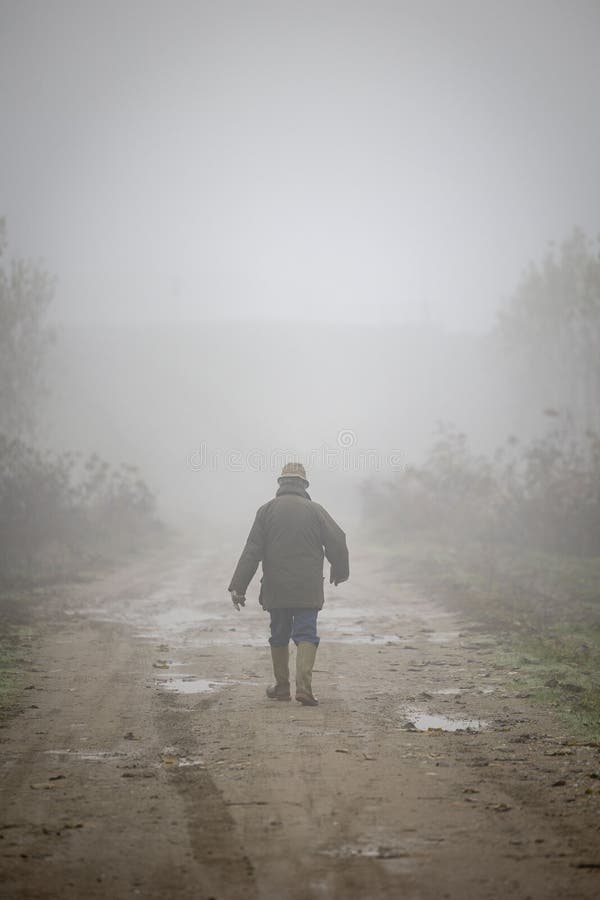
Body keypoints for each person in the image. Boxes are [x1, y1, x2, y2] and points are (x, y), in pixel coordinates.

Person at [228, 462, 349, 706]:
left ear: (281, 484)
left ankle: (282, 688)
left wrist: (238, 586)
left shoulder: (266, 511)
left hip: (276, 587)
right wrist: (340, 569)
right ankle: (304, 688)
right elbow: (338, 539)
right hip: (307, 588)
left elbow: (252, 551)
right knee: (306, 632)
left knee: (279, 633)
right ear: (304, 485)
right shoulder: (316, 510)